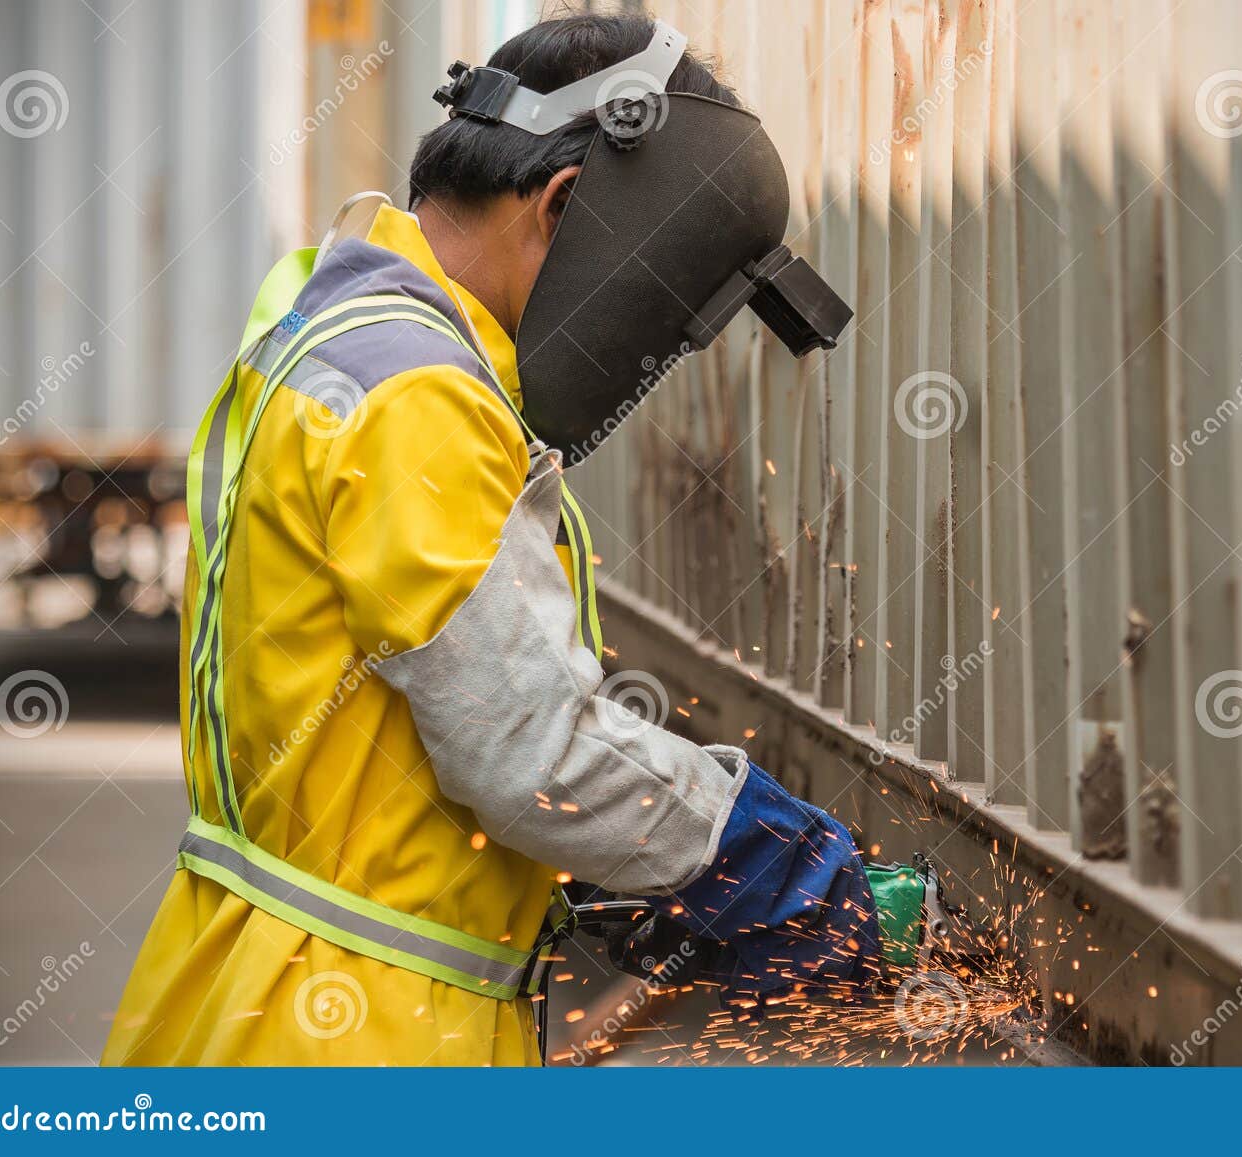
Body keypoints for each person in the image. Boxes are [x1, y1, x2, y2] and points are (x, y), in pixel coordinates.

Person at [103, 12, 873, 1067]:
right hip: (370, 1035)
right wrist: (751, 845)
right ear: (560, 205)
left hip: (240, 978)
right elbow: (528, 752)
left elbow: (400, 721)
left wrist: (613, 854)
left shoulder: (328, 325)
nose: (643, 358)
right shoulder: (425, 396)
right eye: (656, 311)